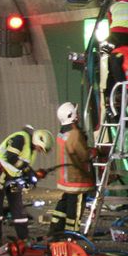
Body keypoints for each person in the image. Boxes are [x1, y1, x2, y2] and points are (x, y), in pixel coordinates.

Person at [0, 126, 53, 246]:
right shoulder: (20, 139)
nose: (39, 151)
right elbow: (10, 157)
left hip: (12, 179)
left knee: (17, 205)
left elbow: (21, 167)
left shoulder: (31, 150)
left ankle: (23, 236)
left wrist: (30, 176)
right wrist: (27, 171)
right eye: (40, 148)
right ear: (37, 140)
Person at [49, 102, 94, 239]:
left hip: (65, 178)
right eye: (76, 113)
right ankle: (72, 234)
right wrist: (95, 152)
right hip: (76, 179)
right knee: (75, 208)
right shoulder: (74, 134)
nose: (78, 115)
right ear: (72, 116)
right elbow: (84, 155)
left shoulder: (62, 133)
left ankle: (55, 230)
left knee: (64, 204)